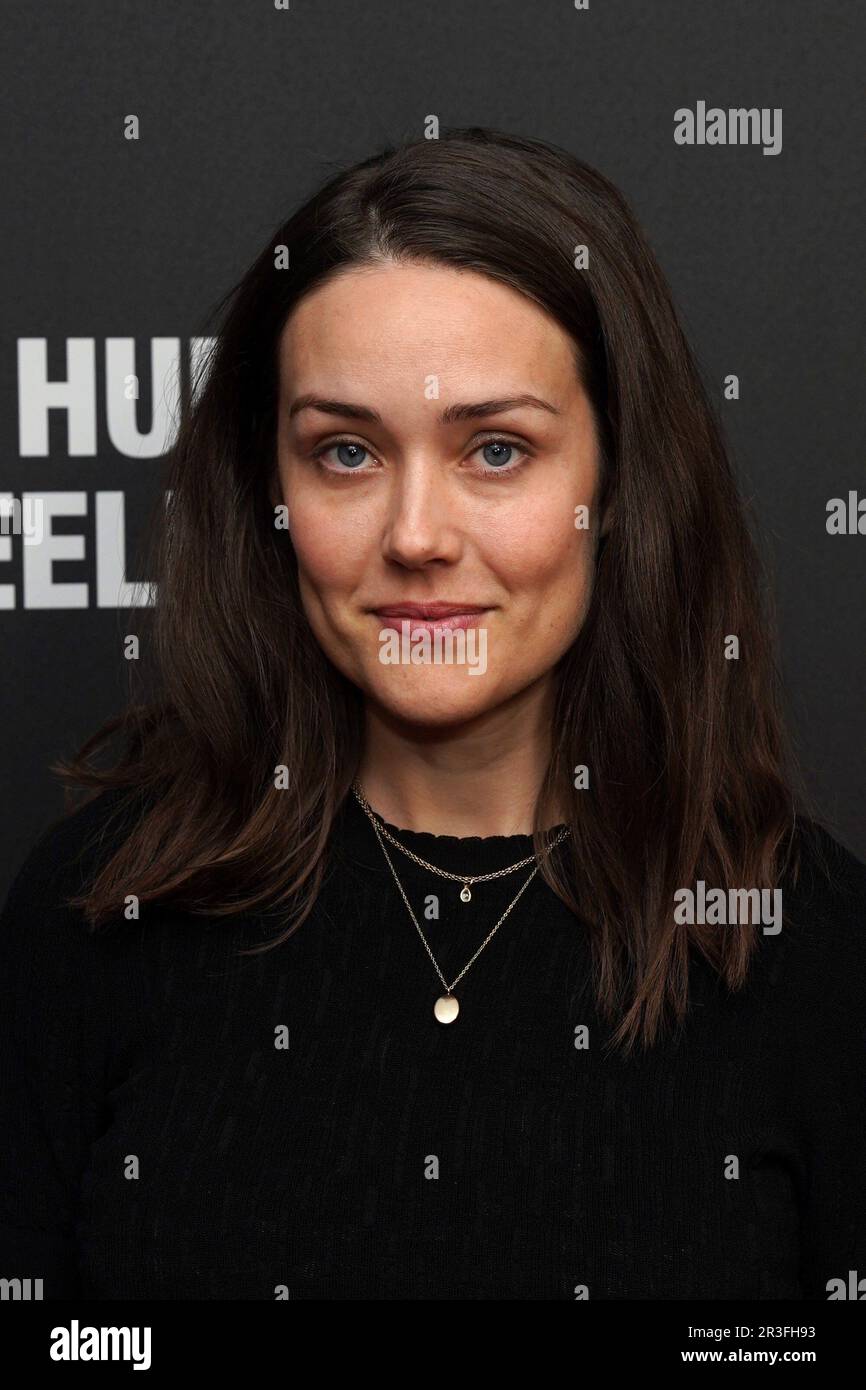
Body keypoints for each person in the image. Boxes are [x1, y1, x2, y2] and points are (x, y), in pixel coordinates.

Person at [1, 128, 864, 1301]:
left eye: (496, 449)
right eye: (345, 452)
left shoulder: (806, 951)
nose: (414, 534)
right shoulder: (98, 913)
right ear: (272, 495)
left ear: (617, 487)